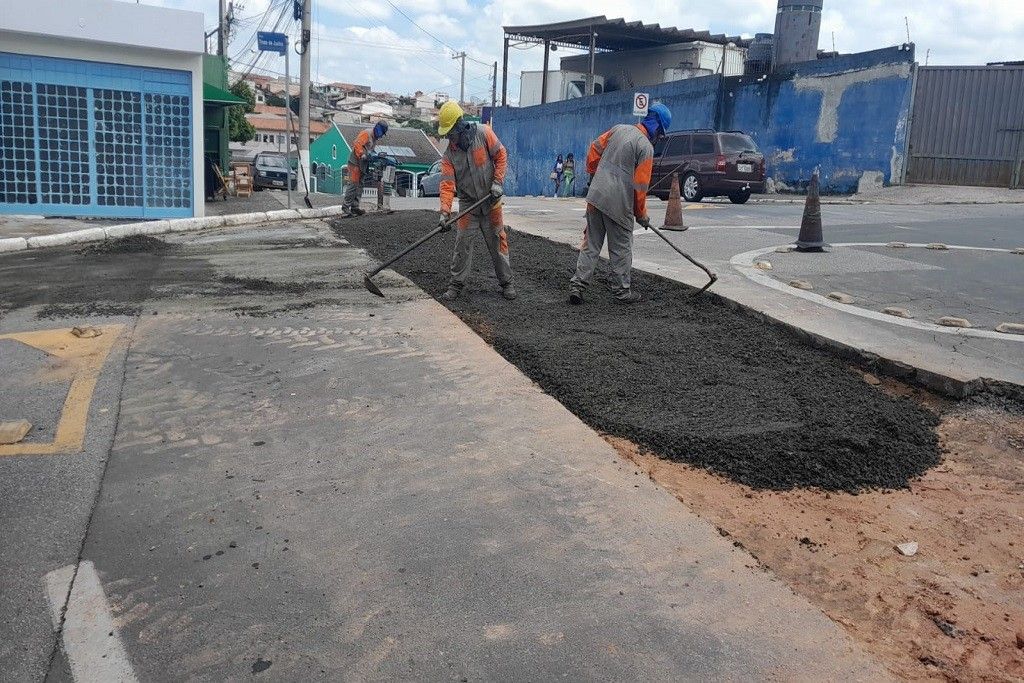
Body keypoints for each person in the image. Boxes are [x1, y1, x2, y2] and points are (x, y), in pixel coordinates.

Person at [568, 102, 672, 304]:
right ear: (657, 127)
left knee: (591, 245)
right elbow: (640, 188)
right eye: (661, 133)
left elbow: (593, 150)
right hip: (619, 204)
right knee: (621, 248)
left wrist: (596, 174)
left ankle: (577, 286)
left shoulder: (618, 129)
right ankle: (622, 291)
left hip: (596, 197)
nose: (660, 137)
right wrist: (641, 214)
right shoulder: (645, 148)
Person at [436, 101, 516, 301]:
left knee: (498, 242)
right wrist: (444, 213)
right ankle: (456, 284)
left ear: (460, 126)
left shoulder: (484, 133)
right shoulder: (449, 156)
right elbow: (447, 185)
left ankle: (506, 282)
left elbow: (501, 155)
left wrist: (498, 182)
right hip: (468, 206)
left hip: (491, 202)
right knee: (462, 243)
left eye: (450, 134)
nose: (449, 139)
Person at [342, 120, 389, 216]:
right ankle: (345, 208)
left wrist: (374, 157)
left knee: (360, 186)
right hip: (355, 163)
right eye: (381, 133)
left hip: (363, 164)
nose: (380, 136)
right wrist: (362, 154)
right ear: (378, 129)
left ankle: (355, 207)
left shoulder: (374, 139)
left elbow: (370, 150)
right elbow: (357, 144)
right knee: (353, 185)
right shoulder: (366, 133)